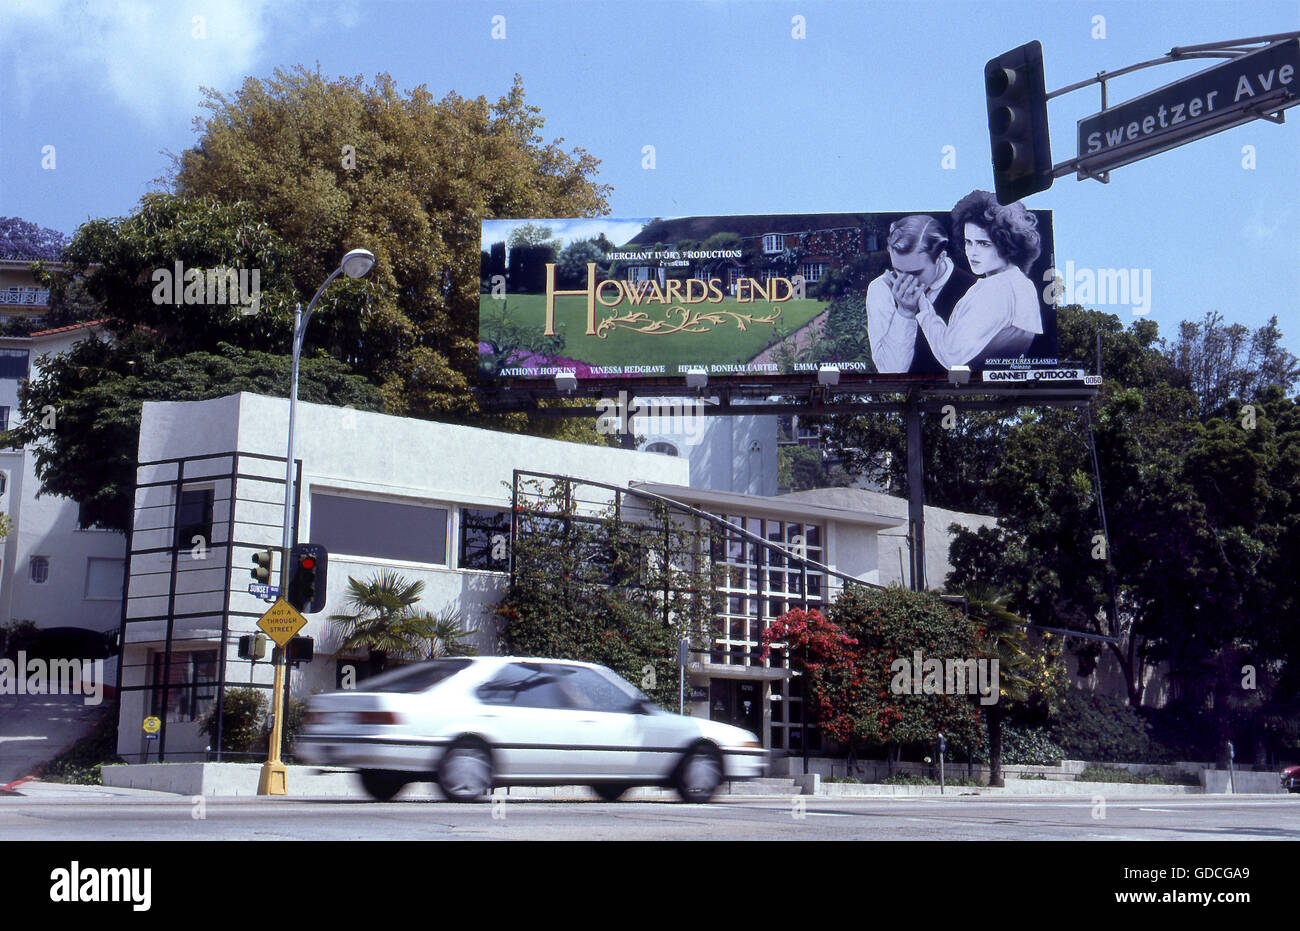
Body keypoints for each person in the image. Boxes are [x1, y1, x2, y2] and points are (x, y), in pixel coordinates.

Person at [898, 191, 1043, 371]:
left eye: (983, 243)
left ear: (1007, 244)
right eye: (968, 241)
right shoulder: (1022, 284)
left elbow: (951, 355)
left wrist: (922, 308)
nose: (972, 252)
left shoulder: (996, 288)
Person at [865, 215, 976, 374]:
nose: (904, 280)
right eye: (898, 270)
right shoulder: (881, 288)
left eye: (915, 272)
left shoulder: (972, 289)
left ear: (940, 257)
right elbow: (890, 371)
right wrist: (904, 313)